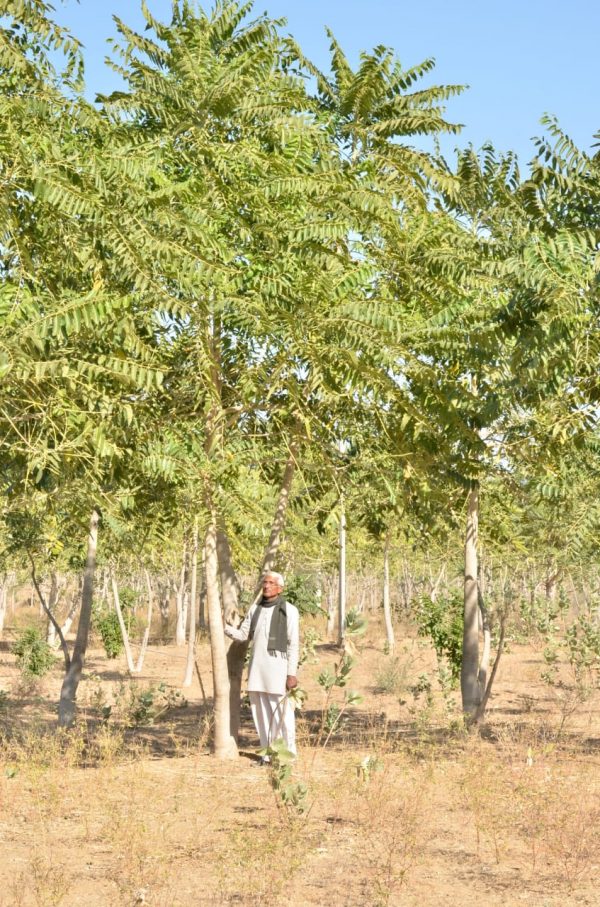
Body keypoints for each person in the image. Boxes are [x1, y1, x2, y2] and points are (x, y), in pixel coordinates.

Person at [225, 571, 299, 758]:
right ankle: (268, 754)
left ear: (280, 588)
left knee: (283, 713)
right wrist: (223, 627)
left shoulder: (289, 610)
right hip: (257, 668)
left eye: (271, 583)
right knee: (260, 713)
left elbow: (293, 644)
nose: (266, 586)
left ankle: (288, 754)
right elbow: (243, 635)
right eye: (265, 582)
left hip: (279, 669)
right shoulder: (255, 609)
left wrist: (291, 674)